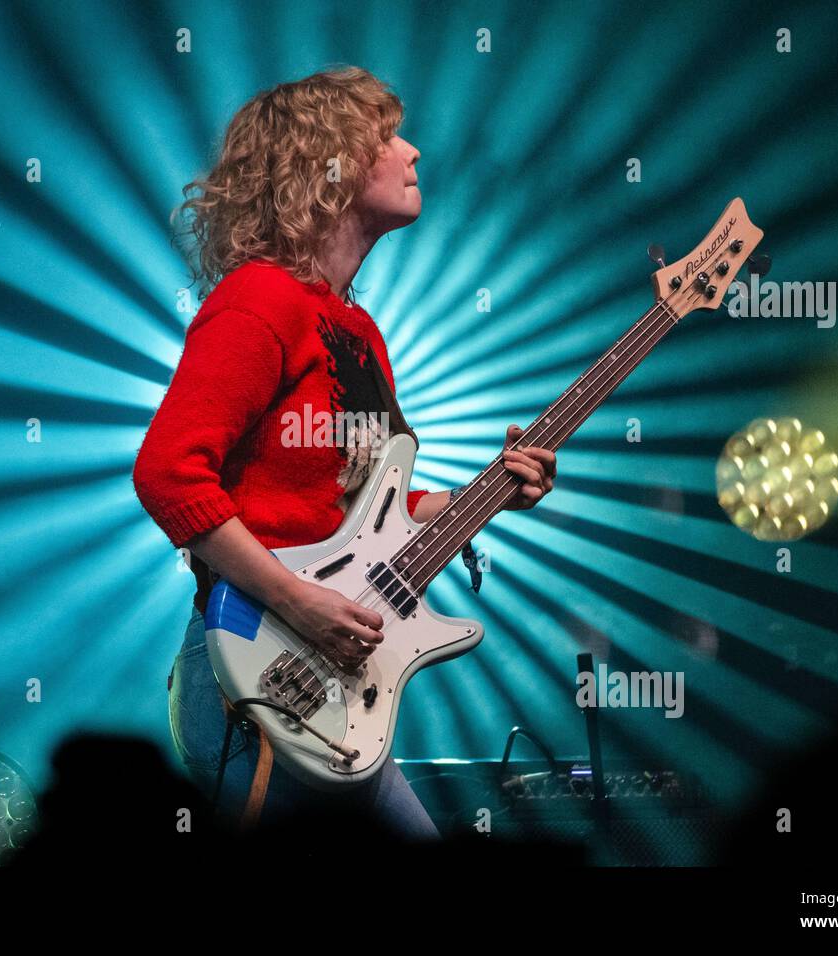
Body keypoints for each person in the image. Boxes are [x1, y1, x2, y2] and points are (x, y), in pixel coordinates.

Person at [132, 66, 557, 839]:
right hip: (259, 679)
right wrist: (297, 601)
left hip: (331, 692)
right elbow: (167, 473)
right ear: (325, 165)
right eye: (388, 136)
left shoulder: (358, 333)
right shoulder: (258, 301)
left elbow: (377, 513)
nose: (414, 151)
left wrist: (494, 490)